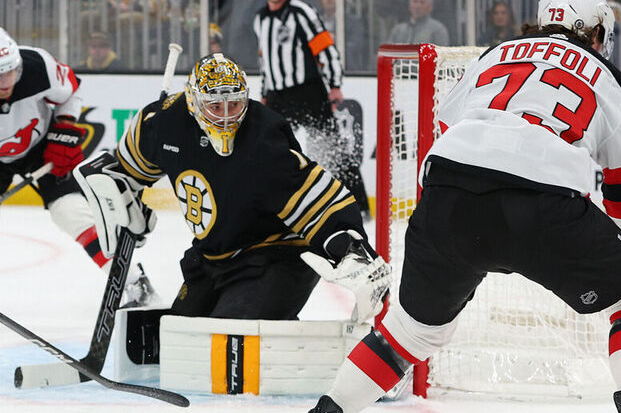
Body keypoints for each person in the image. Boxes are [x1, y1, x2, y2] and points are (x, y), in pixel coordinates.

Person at [270, 0, 621, 413]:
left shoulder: (492, 57)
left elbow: (447, 136)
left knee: (410, 331)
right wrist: (619, 251)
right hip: (543, 207)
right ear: (595, 32)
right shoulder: (606, 78)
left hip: (447, 196)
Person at [76, 53, 390, 322]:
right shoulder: (162, 123)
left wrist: (349, 250)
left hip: (275, 254)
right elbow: (126, 170)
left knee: (228, 342)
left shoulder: (263, 139)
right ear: (194, 103)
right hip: (213, 256)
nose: (227, 117)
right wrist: (120, 200)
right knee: (177, 341)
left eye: (234, 104)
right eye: (216, 106)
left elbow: (318, 200)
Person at [0, 27, 156, 307]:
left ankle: (133, 282)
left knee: (72, 213)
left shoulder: (37, 66)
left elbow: (71, 92)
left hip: (41, 146)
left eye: (10, 71)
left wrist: (64, 127)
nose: (7, 82)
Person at [253, 0, 369, 218]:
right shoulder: (260, 19)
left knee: (332, 146)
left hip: (308, 91)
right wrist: (263, 92)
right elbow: (265, 60)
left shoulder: (301, 12)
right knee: (272, 148)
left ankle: (358, 204)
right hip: (277, 95)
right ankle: (277, 203)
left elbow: (325, 48)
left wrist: (335, 84)